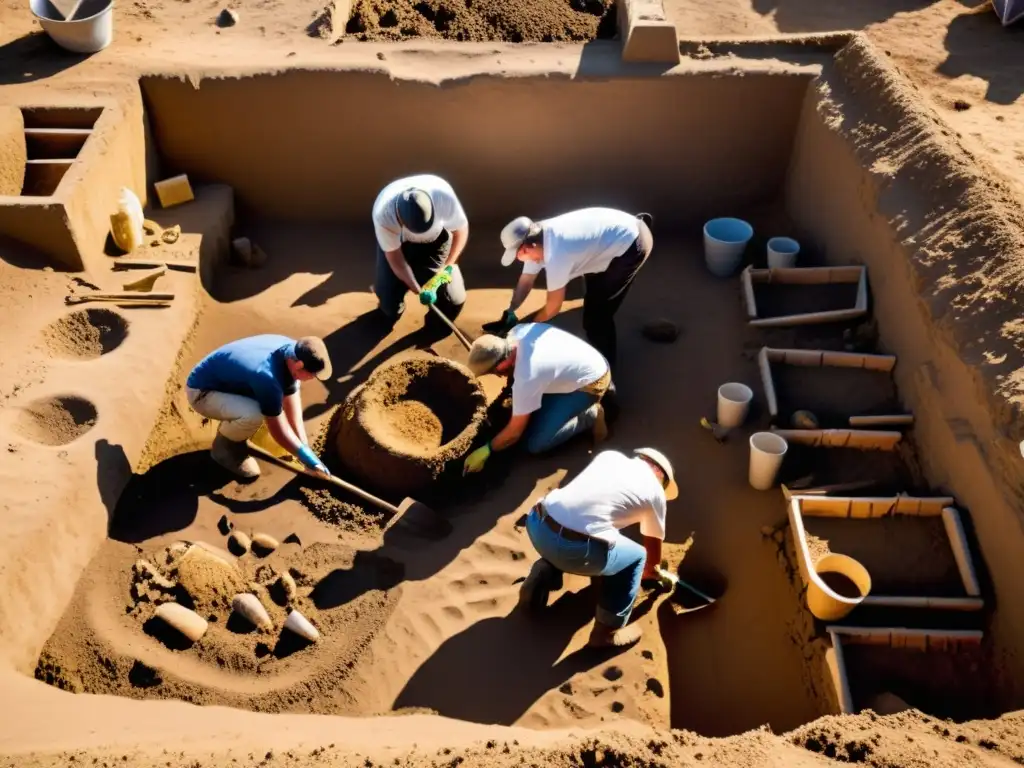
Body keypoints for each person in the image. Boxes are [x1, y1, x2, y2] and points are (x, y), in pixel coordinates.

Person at [519, 447, 678, 648]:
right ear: (660, 476)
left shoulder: (609, 457)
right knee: (638, 556)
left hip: (537, 523)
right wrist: (657, 576)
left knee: (579, 525)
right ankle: (606, 633)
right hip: (574, 548)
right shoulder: (656, 493)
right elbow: (651, 567)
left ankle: (546, 570)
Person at [483, 207, 654, 373]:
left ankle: (605, 378)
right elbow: (525, 282)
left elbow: (553, 307)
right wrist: (511, 311)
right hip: (611, 232)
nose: (520, 261)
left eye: (517, 257)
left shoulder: (558, 254)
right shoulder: (536, 236)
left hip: (633, 244)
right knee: (593, 289)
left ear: (528, 247)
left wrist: (525, 333)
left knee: (596, 318)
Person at [461, 322, 611, 475]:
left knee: (536, 443)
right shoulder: (516, 333)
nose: (496, 375)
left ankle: (589, 415)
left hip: (591, 383)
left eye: (493, 371)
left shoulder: (527, 375)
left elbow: (514, 434)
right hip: (581, 362)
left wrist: (487, 449)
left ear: (503, 363)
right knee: (523, 405)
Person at [185, 334, 333, 480]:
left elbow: (290, 396)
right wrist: (308, 459)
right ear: (299, 365)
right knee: (254, 413)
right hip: (202, 392)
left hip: (230, 384)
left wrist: (304, 449)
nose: (313, 378)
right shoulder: (266, 376)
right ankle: (225, 450)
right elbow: (278, 429)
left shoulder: (292, 351)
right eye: (312, 374)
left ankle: (242, 427)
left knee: (276, 399)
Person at [371, 173, 470, 329]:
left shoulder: (442, 195)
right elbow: (396, 260)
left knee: (453, 300)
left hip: (437, 244)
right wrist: (417, 288)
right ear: (399, 218)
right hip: (399, 245)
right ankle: (391, 308)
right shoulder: (384, 214)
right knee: (388, 303)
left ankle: (433, 327)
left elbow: (460, 231)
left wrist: (447, 268)